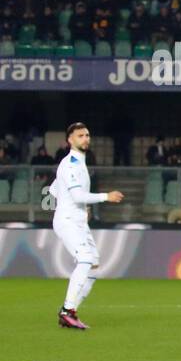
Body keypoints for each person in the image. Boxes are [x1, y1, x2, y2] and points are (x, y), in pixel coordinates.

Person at [51, 122, 125, 330]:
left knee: (92, 264)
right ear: (70, 140)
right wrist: (105, 197)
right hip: (68, 222)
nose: (85, 138)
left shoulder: (78, 162)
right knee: (85, 260)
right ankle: (67, 311)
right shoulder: (71, 164)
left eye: (87, 135)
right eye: (80, 135)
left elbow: (55, 190)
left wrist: (80, 207)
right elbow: (75, 194)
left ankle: (70, 311)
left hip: (77, 221)